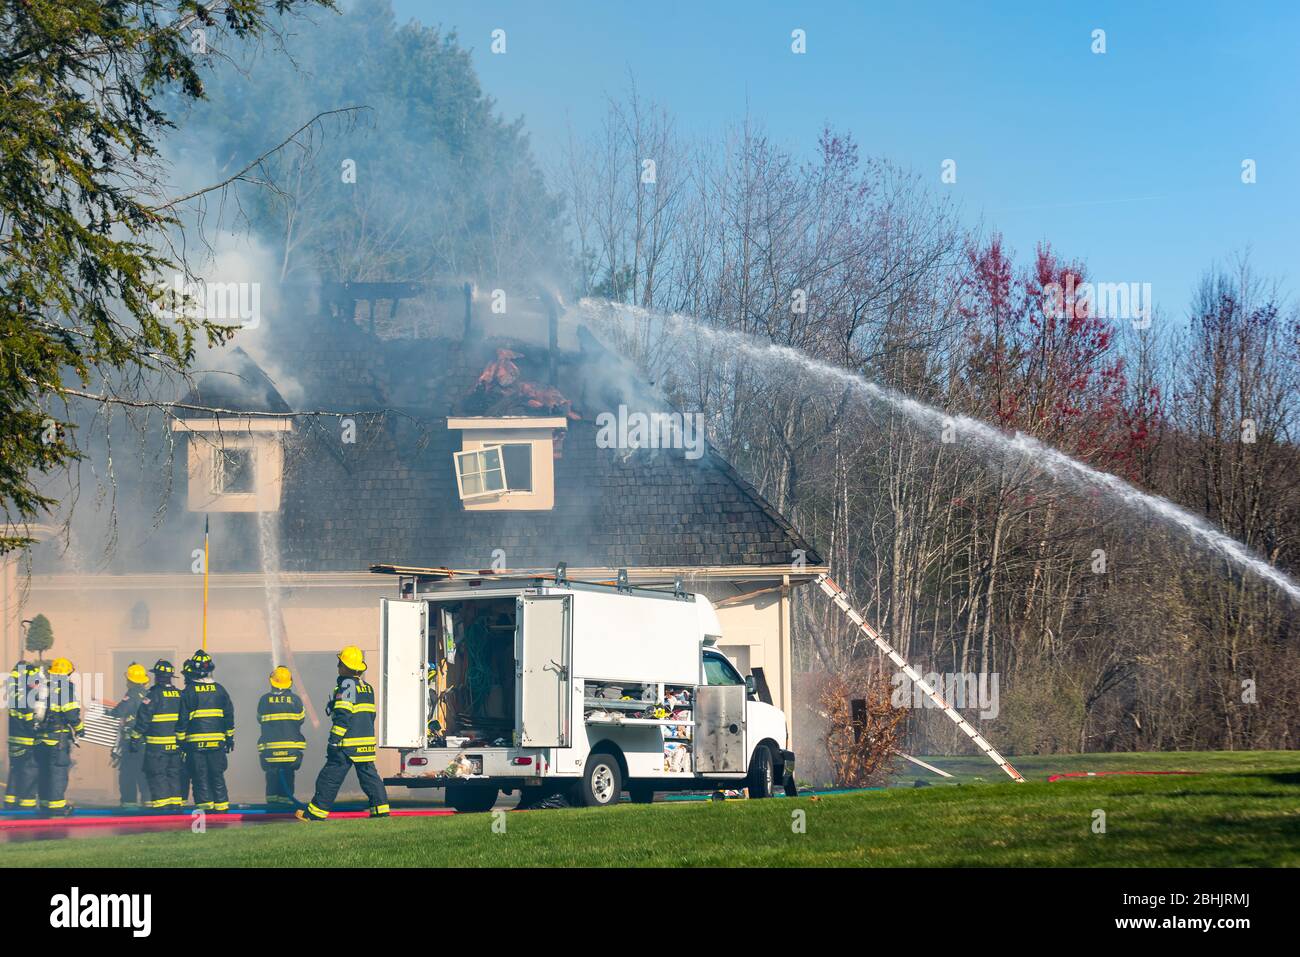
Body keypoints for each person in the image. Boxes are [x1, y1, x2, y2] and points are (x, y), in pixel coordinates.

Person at [296, 646, 389, 822]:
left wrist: (334, 740)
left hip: (347, 746)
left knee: (329, 778)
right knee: (370, 779)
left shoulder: (347, 685)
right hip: (365, 744)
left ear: (346, 667)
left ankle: (315, 814)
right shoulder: (367, 687)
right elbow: (368, 714)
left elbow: (344, 716)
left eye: (340, 663)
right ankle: (381, 811)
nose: (338, 666)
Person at [178, 649, 234, 812]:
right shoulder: (220, 690)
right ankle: (222, 808)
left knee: (200, 777)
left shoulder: (188, 692)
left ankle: (205, 812)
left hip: (195, 745)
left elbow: (182, 720)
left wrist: (181, 741)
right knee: (217, 775)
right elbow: (228, 716)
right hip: (217, 743)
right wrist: (229, 738)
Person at [130, 660, 183, 810]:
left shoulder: (153, 696)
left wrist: (135, 738)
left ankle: (161, 807)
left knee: (157, 775)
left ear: (157, 676)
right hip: (176, 746)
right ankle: (175, 805)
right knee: (174, 775)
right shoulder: (180, 695)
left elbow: (143, 719)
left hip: (157, 748)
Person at [35, 657, 84, 816]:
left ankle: (44, 803)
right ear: (67, 673)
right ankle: (56, 807)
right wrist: (79, 727)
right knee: (58, 772)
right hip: (57, 739)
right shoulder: (65, 688)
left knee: (44, 772)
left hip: (40, 738)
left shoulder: (44, 688)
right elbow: (71, 714)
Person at [257, 666, 307, 807]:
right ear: (289, 682)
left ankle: (272, 806)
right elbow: (301, 719)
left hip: (270, 751)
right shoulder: (295, 700)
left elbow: (259, 719)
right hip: (291, 751)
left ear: (272, 682)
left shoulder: (264, 700)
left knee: (272, 776)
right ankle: (286, 806)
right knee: (288, 775)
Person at [109, 663, 152, 808]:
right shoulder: (148, 694)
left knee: (128, 774)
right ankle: (148, 802)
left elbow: (119, 711)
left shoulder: (132, 694)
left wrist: (109, 712)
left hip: (131, 742)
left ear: (131, 681)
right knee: (144, 774)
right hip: (145, 741)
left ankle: (129, 804)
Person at [3, 660, 40, 810]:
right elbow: (31, 722)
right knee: (29, 774)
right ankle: (26, 805)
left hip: (14, 741)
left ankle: (10, 802)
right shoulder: (28, 697)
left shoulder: (15, 693)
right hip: (27, 743)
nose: (38, 683)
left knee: (15, 771)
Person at [177, 657, 197, 805]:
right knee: (198, 776)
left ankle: (182, 804)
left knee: (184, 775)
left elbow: (182, 721)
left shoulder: (185, 695)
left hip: (188, 744)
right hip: (198, 745)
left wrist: (180, 741)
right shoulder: (208, 693)